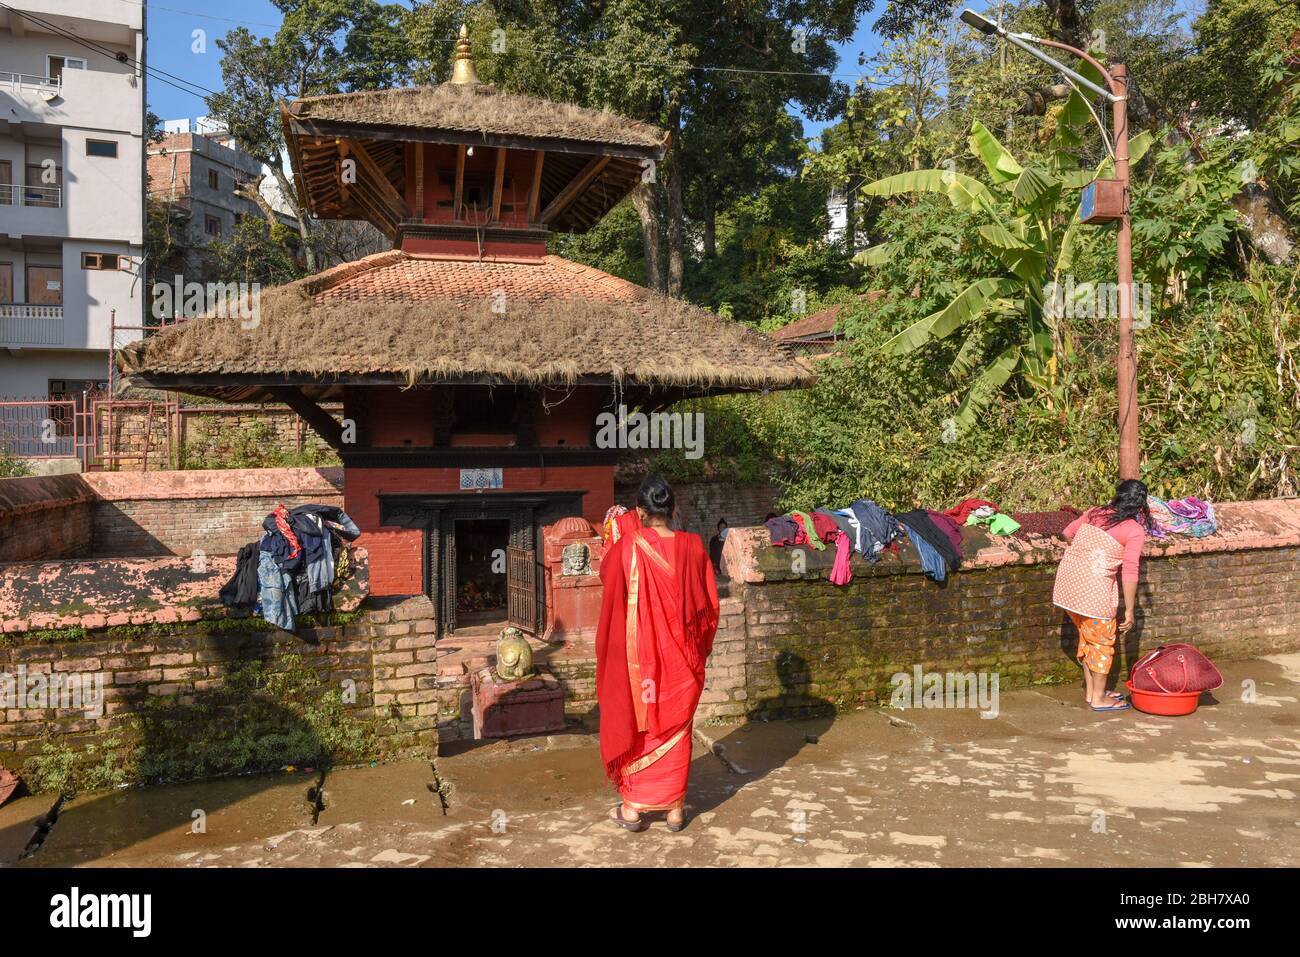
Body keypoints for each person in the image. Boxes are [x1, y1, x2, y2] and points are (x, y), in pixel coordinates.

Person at [596, 475, 720, 832]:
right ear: (673, 508)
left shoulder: (626, 549)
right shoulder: (694, 547)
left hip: (641, 663)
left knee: (643, 722)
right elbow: (709, 608)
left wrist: (616, 534)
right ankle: (675, 810)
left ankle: (633, 809)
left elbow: (609, 579)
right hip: (681, 661)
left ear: (639, 511)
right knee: (678, 728)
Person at [1053, 479, 1151, 712]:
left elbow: (1067, 533)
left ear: (1118, 495)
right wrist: (1128, 609)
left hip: (1068, 587)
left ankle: (1091, 693)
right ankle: (1099, 698)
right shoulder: (1134, 530)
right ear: (1141, 506)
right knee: (1102, 644)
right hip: (1093, 594)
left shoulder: (1095, 512)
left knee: (1088, 639)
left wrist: (1085, 555)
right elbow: (1129, 570)